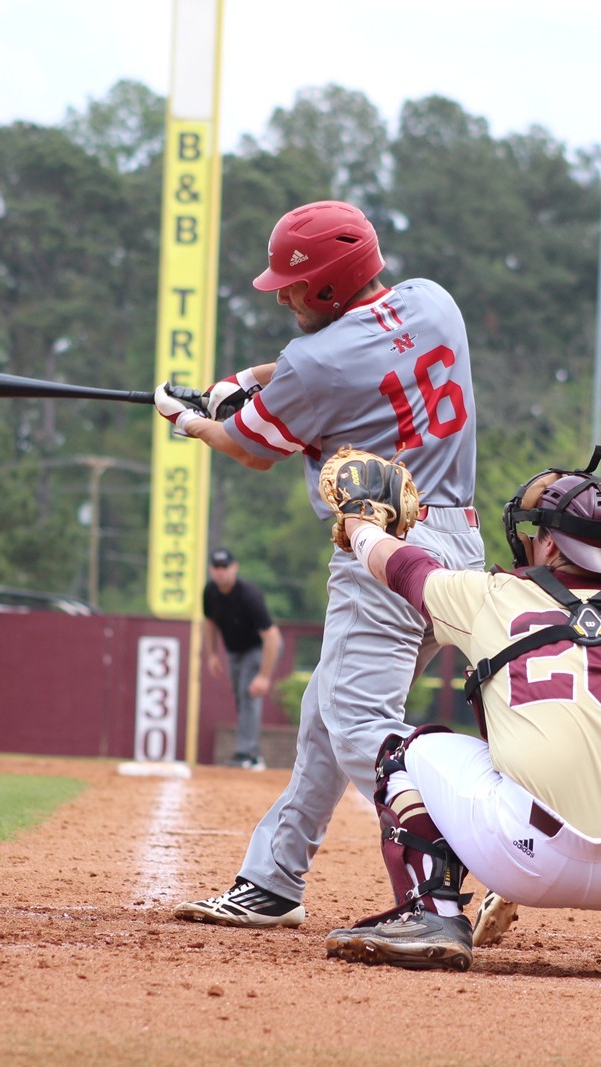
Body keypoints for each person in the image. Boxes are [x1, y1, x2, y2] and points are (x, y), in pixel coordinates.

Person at [157, 200, 484, 928]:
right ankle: (272, 878)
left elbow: (250, 444)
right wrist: (239, 379)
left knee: (358, 722)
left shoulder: (313, 363)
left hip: (382, 549)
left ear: (330, 287)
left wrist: (188, 418)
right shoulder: (432, 301)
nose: (284, 294)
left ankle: (470, 850)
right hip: (460, 544)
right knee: (323, 715)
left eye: (295, 285)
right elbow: (339, 365)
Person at [319, 455, 601, 980]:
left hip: (520, 853)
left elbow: (408, 569)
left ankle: (431, 913)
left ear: (549, 543)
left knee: (401, 750)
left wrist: (363, 527)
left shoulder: (493, 597)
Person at [202, 547, 283, 771]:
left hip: (260, 648)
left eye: (224, 567)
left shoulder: (248, 595)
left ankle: (246, 754)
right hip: (235, 651)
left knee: (249, 696)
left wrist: (264, 677)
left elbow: (272, 637)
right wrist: (212, 654)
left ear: (234, 568)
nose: (220, 572)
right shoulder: (210, 592)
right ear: (211, 570)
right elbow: (209, 623)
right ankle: (251, 754)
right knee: (241, 698)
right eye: (216, 568)